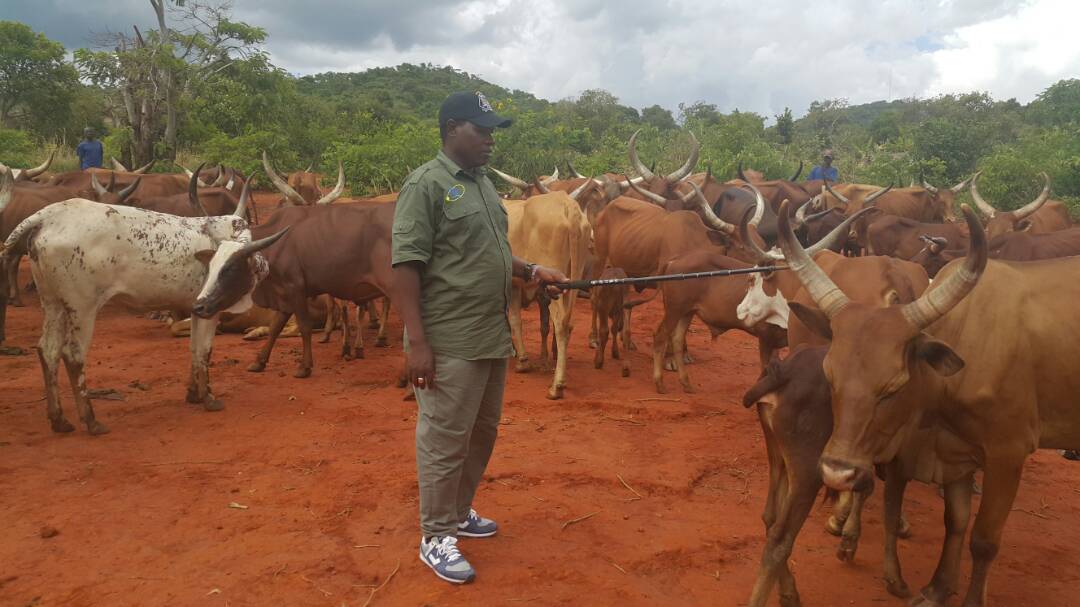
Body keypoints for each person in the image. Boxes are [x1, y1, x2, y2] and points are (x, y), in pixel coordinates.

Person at [390, 91, 569, 585]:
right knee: (444, 438)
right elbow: (405, 266)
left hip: (490, 334)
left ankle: (459, 510)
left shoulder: (483, 185)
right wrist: (417, 343)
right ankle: (435, 536)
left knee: (482, 432)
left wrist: (532, 268)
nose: (490, 139)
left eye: (492, 130)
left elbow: (492, 252)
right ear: (451, 130)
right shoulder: (425, 185)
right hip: (448, 340)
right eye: (481, 129)